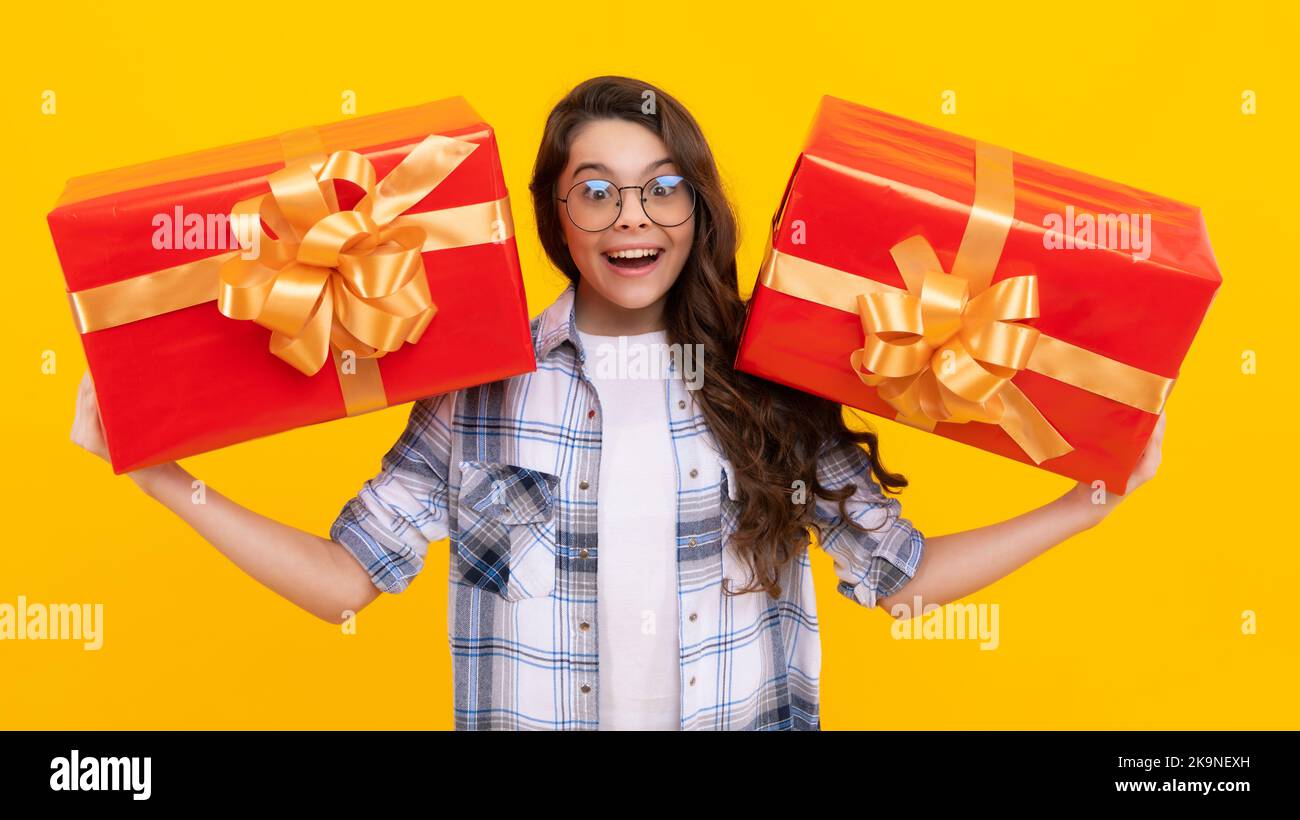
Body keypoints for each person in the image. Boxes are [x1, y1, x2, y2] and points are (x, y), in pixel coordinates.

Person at [71, 75, 1166, 731]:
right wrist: (167, 474)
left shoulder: (772, 376)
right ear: (554, 215)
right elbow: (343, 582)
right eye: (594, 189)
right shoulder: (478, 386)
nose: (628, 215)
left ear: (694, 205)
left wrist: (1089, 502)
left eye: (660, 186)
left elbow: (903, 578)